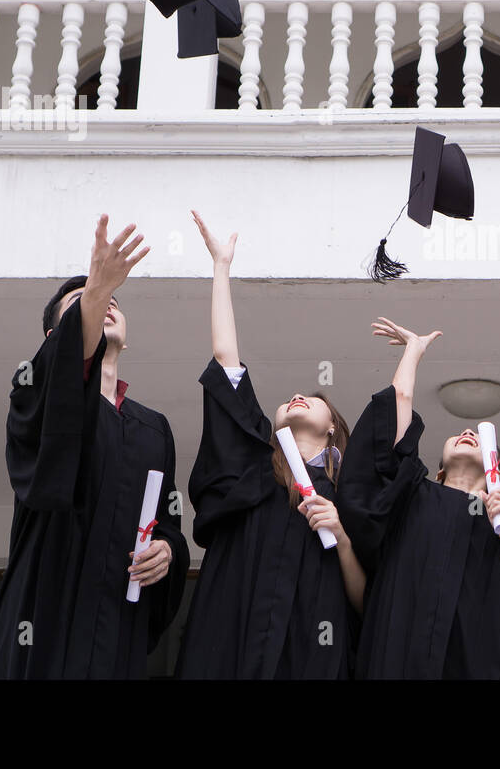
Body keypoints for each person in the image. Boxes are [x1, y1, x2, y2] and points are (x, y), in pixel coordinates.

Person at [0, 215, 188, 678]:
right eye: (87, 303)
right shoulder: (37, 395)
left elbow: (167, 521)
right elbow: (63, 387)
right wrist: (95, 288)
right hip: (44, 617)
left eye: (112, 298)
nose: (105, 302)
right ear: (56, 341)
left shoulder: (155, 429)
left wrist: (168, 551)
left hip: (114, 625)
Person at [175, 211, 363, 679]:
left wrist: (338, 533)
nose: (299, 397)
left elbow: (366, 596)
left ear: (333, 431)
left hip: (309, 648)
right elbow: (226, 362)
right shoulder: (253, 461)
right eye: (290, 399)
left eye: (316, 401)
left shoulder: (354, 495)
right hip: (231, 637)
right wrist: (221, 268)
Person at [336, 317, 500, 678]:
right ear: (437, 473)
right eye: (457, 434)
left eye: (479, 439)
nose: (467, 431)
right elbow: (392, 429)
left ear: (496, 474)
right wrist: (413, 353)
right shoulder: (411, 502)